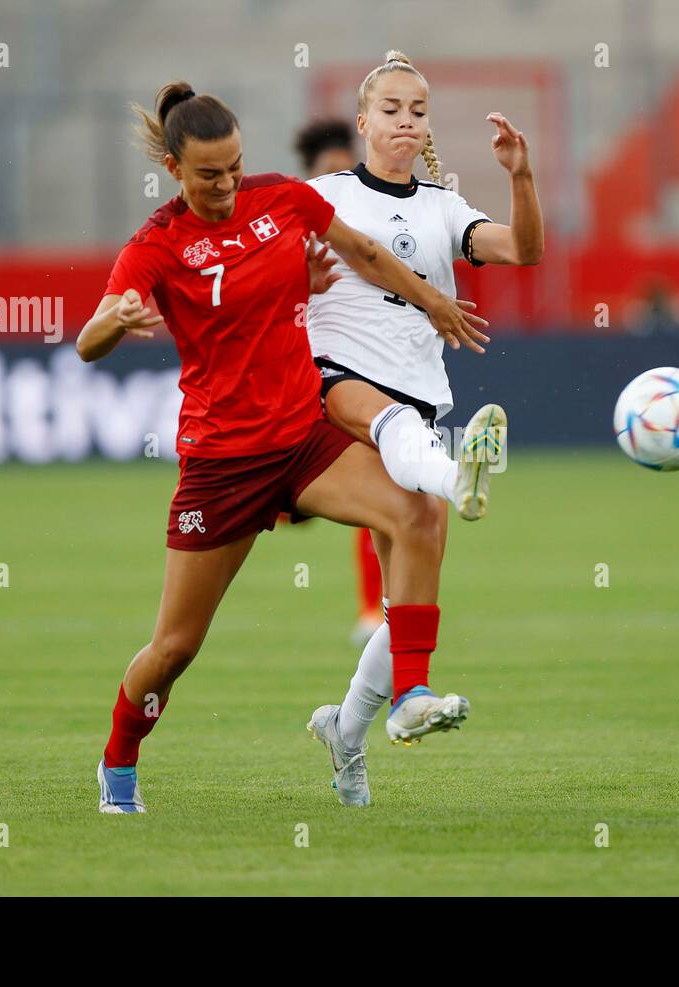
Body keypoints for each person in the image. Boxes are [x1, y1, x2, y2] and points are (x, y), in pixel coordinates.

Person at [81, 81, 488, 812]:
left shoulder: (281, 199)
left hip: (304, 440)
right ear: (174, 170)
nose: (229, 183)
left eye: (236, 165)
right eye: (210, 174)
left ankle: (410, 693)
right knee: (174, 649)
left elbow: (361, 249)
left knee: (420, 512)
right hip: (221, 467)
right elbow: (88, 341)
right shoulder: (155, 246)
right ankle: (119, 758)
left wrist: (433, 301)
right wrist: (116, 322)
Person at [301, 50, 543, 793]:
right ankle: (457, 471)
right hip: (334, 387)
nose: (405, 121)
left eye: (417, 110)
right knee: (421, 482)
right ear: (365, 121)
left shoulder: (443, 206)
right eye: (391, 109)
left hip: (413, 402)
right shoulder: (324, 195)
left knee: (417, 542)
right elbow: (330, 261)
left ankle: (362, 720)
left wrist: (520, 175)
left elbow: (523, 250)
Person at [293, 118, 386, 648]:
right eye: (326, 174)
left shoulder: (362, 223)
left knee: (384, 484)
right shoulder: (289, 222)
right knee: (285, 506)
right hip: (296, 375)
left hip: (355, 373)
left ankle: (375, 610)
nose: (337, 183)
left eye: (342, 171)